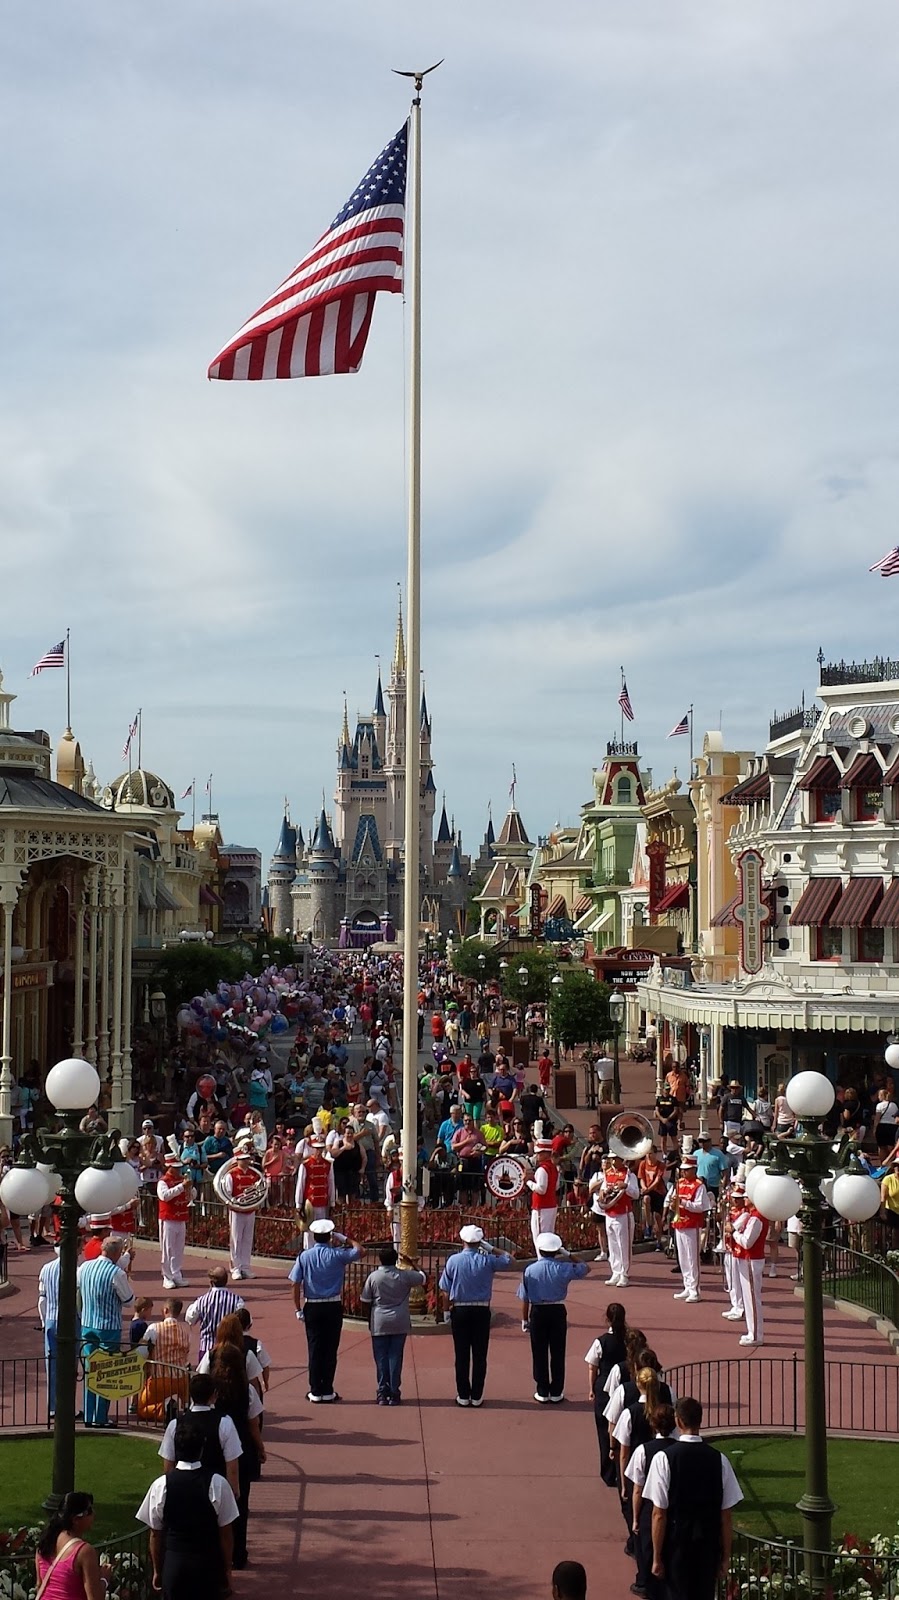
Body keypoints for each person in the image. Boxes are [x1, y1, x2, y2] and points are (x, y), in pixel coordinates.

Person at [645, 1396, 743, 1600]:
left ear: (678, 1422)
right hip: (707, 1545)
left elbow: (659, 1514)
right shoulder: (720, 1460)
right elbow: (726, 1515)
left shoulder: (664, 1459)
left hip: (676, 1546)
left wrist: (656, 1556)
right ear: (700, 1420)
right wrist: (725, 1557)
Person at [137, 1413, 240, 1599]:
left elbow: (155, 1533)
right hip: (208, 1566)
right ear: (201, 1449)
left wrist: (158, 1570)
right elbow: (226, 1532)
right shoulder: (218, 1483)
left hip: (174, 1565)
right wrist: (227, 1569)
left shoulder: (161, 1485)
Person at [438, 1224, 514, 1407]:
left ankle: (463, 1395)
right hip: (481, 1310)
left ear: (462, 1240)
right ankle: (477, 1395)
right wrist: (490, 1247)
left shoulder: (453, 1261)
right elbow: (509, 1259)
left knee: (461, 1354)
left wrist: (446, 1312)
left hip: (461, 1310)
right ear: (479, 1241)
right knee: (480, 1355)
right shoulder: (487, 1260)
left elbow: (445, 1291)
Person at [289, 1218, 361, 1403]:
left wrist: (297, 1308)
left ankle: (315, 1390)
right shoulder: (337, 1254)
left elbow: (295, 1283)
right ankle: (327, 1389)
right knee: (330, 1349)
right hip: (332, 1305)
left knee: (314, 1348)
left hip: (312, 1305)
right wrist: (344, 1238)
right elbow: (360, 1250)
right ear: (330, 1236)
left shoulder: (304, 1256)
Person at [518, 1232, 589, 1403]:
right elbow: (585, 1268)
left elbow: (524, 1298)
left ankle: (542, 1390)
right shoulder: (563, 1268)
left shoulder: (530, 1270)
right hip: (557, 1310)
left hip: (538, 1312)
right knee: (558, 1352)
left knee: (539, 1351)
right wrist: (567, 1253)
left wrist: (524, 1319)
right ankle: (557, 1390)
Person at [77, 1236, 135, 1428]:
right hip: (109, 1327)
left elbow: (78, 1291)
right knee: (105, 1371)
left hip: (87, 1324)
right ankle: (100, 1417)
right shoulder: (116, 1273)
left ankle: (89, 1414)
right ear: (116, 1253)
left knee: (90, 1369)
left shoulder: (84, 1268)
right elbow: (129, 1301)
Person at [360, 1244, 427, 1405]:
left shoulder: (374, 1277)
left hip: (380, 1320)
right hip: (399, 1320)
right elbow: (423, 1277)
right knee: (395, 1357)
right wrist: (412, 1263)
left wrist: (369, 1319)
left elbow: (365, 1300)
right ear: (395, 1260)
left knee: (381, 1357)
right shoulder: (404, 1276)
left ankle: (383, 1391)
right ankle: (395, 1391)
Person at [158, 1372, 241, 1496]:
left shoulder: (175, 1424)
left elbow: (168, 1463)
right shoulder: (225, 1423)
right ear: (214, 1395)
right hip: (214, 1491)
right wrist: (234, 1490)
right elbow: (232, 1464)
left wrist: (170, 1490)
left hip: (182, 1489)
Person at [626, 1400, 677, 1599]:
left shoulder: (643, 1451)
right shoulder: (677, 1450)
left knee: (650, 1558)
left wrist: (636, 1518)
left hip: (650, 1512)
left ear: (653, 1424)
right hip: (675, 1513)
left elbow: (637, 1490)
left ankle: (648, 1586)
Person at [584, 1301, 629, 1485]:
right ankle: (625, 1471)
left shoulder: (600, 1341)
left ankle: (609, 1473)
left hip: (605, 1389)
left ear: (607, 1319)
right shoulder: (630, 1339)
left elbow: (592, 1367)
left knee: (605, 1430)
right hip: (626, 1387)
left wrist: (591, 1388)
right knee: (626, 1430)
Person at [35, 1491, 107, 1600]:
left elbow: (40, 1584)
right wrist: (104, 1579)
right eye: (89, 1511)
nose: (94, 1514)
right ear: (76, 1519)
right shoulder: (84, 1551)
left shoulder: (44, 1544)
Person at [137, 1299, 191, 1422]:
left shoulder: (154, 1328)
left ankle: (164, 1408)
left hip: (160, 1379)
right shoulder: (186, 1330)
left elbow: (142, 1353)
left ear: (165, 1310)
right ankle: (186, 1407)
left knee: (142, 1409)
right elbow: (187, 1351)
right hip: (181, 1378)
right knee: (186, 1396)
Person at [219, 1135, 263, 1281]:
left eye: (247, 1158)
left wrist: (256, 1201)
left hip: (250, 1210)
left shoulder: (253, 1174)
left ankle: (245, 1266)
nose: (246, 1161)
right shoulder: (231, 1175)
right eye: (243, 1158)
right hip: (237, 1211)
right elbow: (228, 1195)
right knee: (236, 1239)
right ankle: (235, 1268)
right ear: (237, 1159)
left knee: (248, 1239)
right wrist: (236, 1203)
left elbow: (258, 1192)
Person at [591, 1156, 639, 1287]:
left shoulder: (629, 1174)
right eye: (611, 1159)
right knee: (612, 1245)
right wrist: (602, 1192)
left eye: (615, 1159)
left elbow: (636, 1194)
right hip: (610, 1212)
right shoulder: (608, 1173)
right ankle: (615, 1271)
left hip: (623, 1213)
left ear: (620, 1159)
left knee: (624, 1245)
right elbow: (604, 1188)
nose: (612, 1162)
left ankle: (624, 1274)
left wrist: (626, 1186)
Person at [38, 1243, 73, 1418]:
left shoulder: (46, 1268)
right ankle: (68, 1406)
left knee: (52, 1363)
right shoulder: (75, 1269)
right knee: (70, 1364)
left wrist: (44, 1322)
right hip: (69, 1320)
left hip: (51, 1319)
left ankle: (53, 1406)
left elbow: (42, 1300)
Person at [671, 1150, 709, 1303]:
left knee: (692, 1258)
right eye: (682, 1169)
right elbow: (673, 1201)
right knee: (683, 1258)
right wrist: (673, 1201)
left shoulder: (699, 1186)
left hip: (692, 1225)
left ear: (694, 1169)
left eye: (686, 1169)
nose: (683, 1172)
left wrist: (684, 1203)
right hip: (680, 1223)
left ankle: (695, 1289)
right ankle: (687, 1286)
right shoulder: (679, 1183)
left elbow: (701, 1206)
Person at [732, 1194, 769, 1347]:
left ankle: (755, 1335)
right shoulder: (751, 1215)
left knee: (752, 1299)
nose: (744, 1199)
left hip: (751, 1259)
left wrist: (734, 1234)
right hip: (747, 1259)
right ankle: (752, 1331)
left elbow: (747, 1242)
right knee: (749, 1299)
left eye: (747, 1197)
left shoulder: (757, 1218)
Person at [185, 1268, 245, 1360]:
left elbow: (190, 1319)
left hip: (206, 1348)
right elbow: (243, 1323)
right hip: (229, 1349)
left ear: (211, 1282)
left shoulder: (201, 1300)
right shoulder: (237, 1301)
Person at [157, 1153, 192, 1291]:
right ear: (169, 1167)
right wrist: (182, 1187)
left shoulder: (182, 1179)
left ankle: (176, 1274)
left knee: (178, 1248)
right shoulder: (163, 1181)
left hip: (181, 1217)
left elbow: (191, 1195)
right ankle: (167, 1276)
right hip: (168, 1218)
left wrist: (190, 1188)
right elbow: (164, 1196)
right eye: (176, 1168)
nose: (178, 1170)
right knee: (168, 1249)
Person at [527, 1136, 560, 1251]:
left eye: (540, 1153)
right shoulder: (554, 1168)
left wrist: (528, 1182)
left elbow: (541, 1189)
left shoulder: (542, 1169)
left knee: (540, 1237)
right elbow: (556, 1187)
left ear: (546, 1154)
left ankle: (542, 1261)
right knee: (549, 1235)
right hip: (551, 1205)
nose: (537, 1155)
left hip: (541, 1206)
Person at [637, 1147, 667, 1247]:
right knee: (646, 1199)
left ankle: (659, 1240)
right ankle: (648, 1225)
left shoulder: (660, 1165)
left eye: (651, 1153)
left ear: (655, 1154)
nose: (648, 1156)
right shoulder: (643, 1164)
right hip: (648, 1190)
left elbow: (657, 1180)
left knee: (658, 1216)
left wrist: (648, 1189)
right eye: (647, 1154)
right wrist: (644, 1187)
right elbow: (641, 1178)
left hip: (658, 1192)